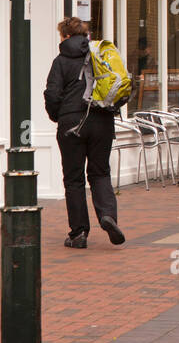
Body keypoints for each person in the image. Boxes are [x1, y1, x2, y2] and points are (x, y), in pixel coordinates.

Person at [44, 17, 125, 248]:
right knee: (100, 172)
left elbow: (52, 94)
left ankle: (79, 234)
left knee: (74, 179)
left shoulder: (61, 61)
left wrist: (57, 116)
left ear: (67, 36)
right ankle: (108, 215)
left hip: (72, 123)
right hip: (102, 120)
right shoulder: (99, 56)